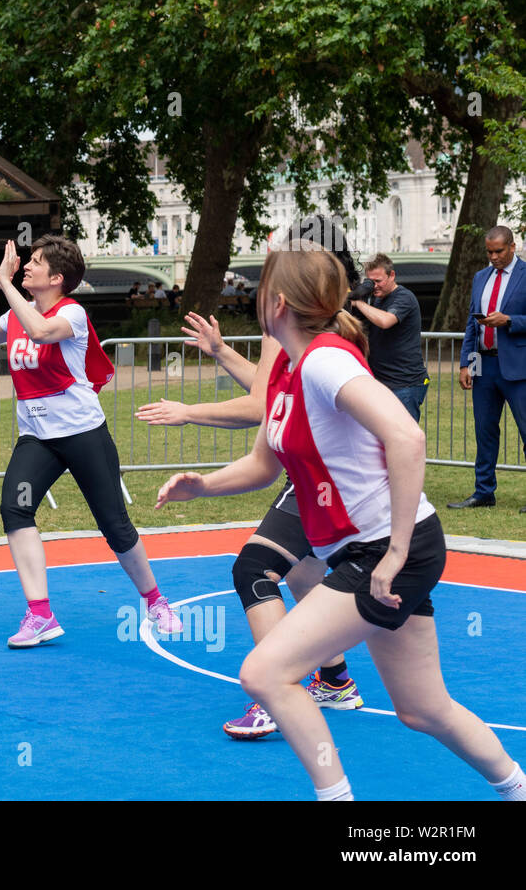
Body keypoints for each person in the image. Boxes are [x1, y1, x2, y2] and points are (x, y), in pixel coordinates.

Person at [156, 243, 525, 802]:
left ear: (277, 302)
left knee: (266, 673)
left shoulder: (327, 361)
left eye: (258, 289)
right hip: (373, 550)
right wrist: (202, 485)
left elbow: (408, 435)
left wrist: (396, 552)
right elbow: (263, 465)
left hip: (388, 549)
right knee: (424, 709)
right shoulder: (287, 368)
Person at [136, 218, 369, 739]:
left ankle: (275, 692)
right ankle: (333, 681)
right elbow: (274, 392)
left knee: (255, 569)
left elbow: (263, 405)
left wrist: (187, 411)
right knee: (306, 574)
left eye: (270, 258)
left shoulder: (316, 332)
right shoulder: (316, 318)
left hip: (332, 480)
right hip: (318, 475)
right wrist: (222, 353)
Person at [0, 236, 183, 646]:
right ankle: (40, 613)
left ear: (57, 278)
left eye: (34, 263)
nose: (26, 267)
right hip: (37, 438)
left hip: (82, 432)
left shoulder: (72, 314)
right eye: (25, 262)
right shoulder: (17, 312)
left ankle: (155, 600)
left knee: (114, 524)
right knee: (15, 509)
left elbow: (40, 331)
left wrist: (8, 286)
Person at [449, 226, 526, 511]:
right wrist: (465, 364)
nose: (493, 256)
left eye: (498, 251)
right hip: (484, 365)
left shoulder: (525, 274)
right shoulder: (480, 277)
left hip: (519, 367)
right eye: (489, 251)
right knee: (484, 432)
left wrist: (509, 321)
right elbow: (472, 323)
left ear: (512, 246)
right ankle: (483, 492)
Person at [349, 253, 428, 422]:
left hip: (405, 384)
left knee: (404, 439)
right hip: (381, 382)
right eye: (370, 282)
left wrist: (359, 303)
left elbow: (385, 321)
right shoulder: (376, 300)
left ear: (392, 275)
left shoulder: (404, 297)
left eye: (378, 281)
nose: (374, 286)